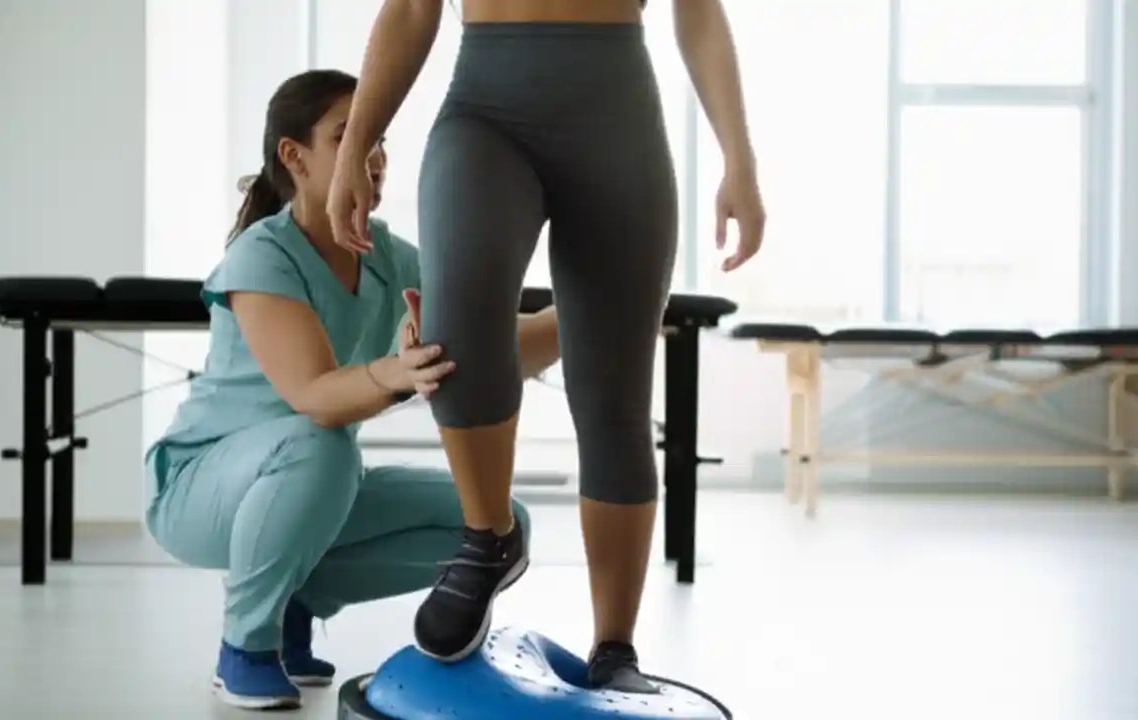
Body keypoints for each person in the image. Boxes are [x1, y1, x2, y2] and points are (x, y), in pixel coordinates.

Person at [327, 0, 765, 693]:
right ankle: (488, 539)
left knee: (615, 394)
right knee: (454, 332)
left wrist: (738, 160)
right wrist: (356, 145)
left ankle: (614, 648)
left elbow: (700, 14)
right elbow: (413, 8)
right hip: (485, 114)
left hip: (618, 123)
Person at [142, 68, 562, 711]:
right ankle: (244, 647)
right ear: (295, 156)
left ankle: (294, 603)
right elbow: (313, 394)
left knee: (497, 526)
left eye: (380, 138)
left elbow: (490, 338)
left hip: (310, 478)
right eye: (349, 135)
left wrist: (586, 315)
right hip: (202, 488)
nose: (374, 155)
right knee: (323, 442)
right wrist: (395, 374)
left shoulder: (389, 256)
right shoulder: (264, 255)